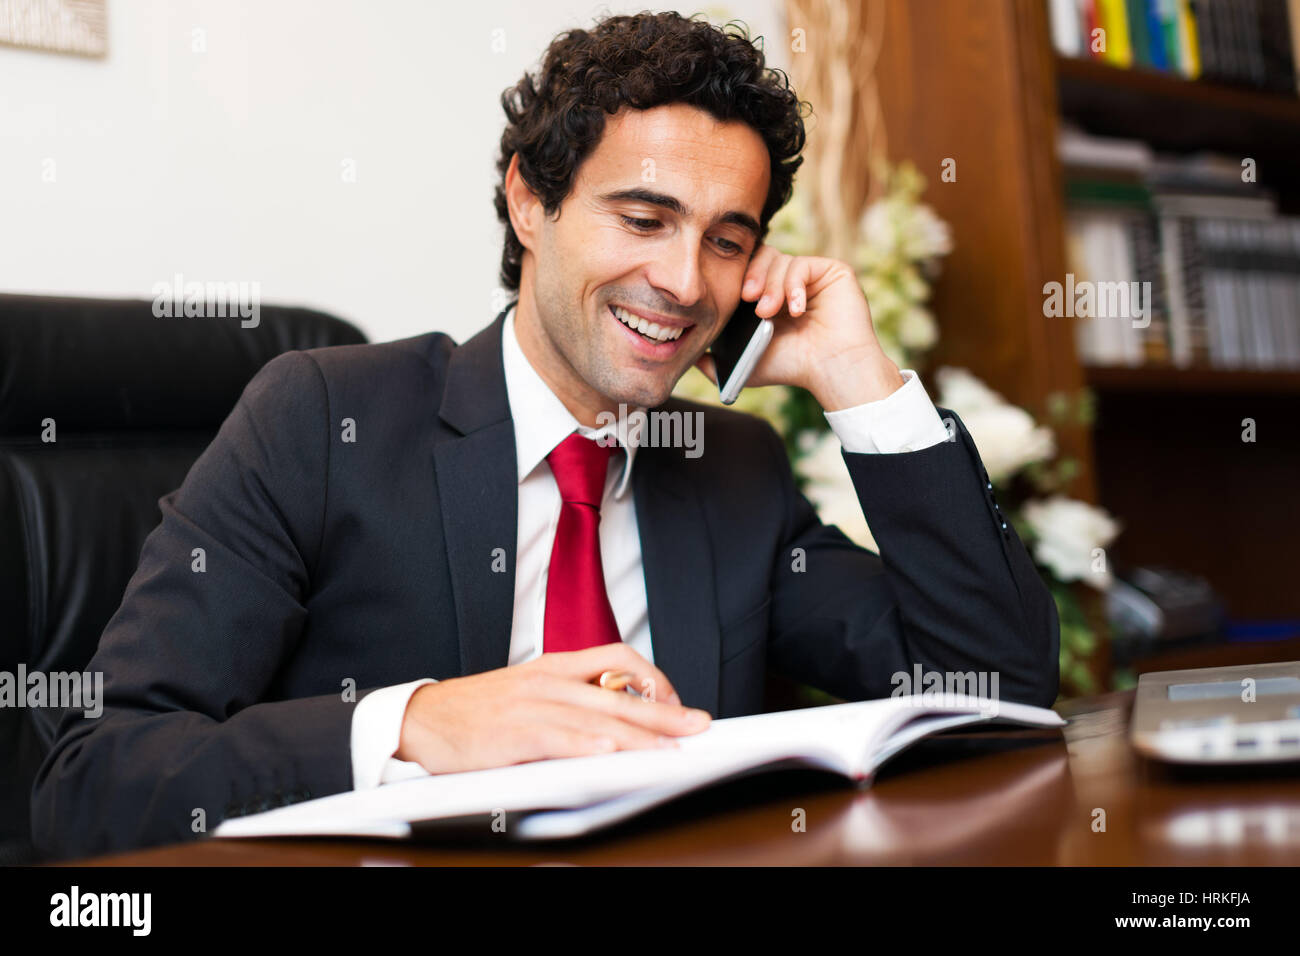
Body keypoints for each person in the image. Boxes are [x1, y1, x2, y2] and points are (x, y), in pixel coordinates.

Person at [31, 11, 1059, 859]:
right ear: (530, 199)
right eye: (644, 219)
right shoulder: (323, 418)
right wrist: (415, 724)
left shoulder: (729, 467)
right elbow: (94, 783)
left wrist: (860, 382)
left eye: (726, 239)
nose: (684, 281)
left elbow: (995, 684)